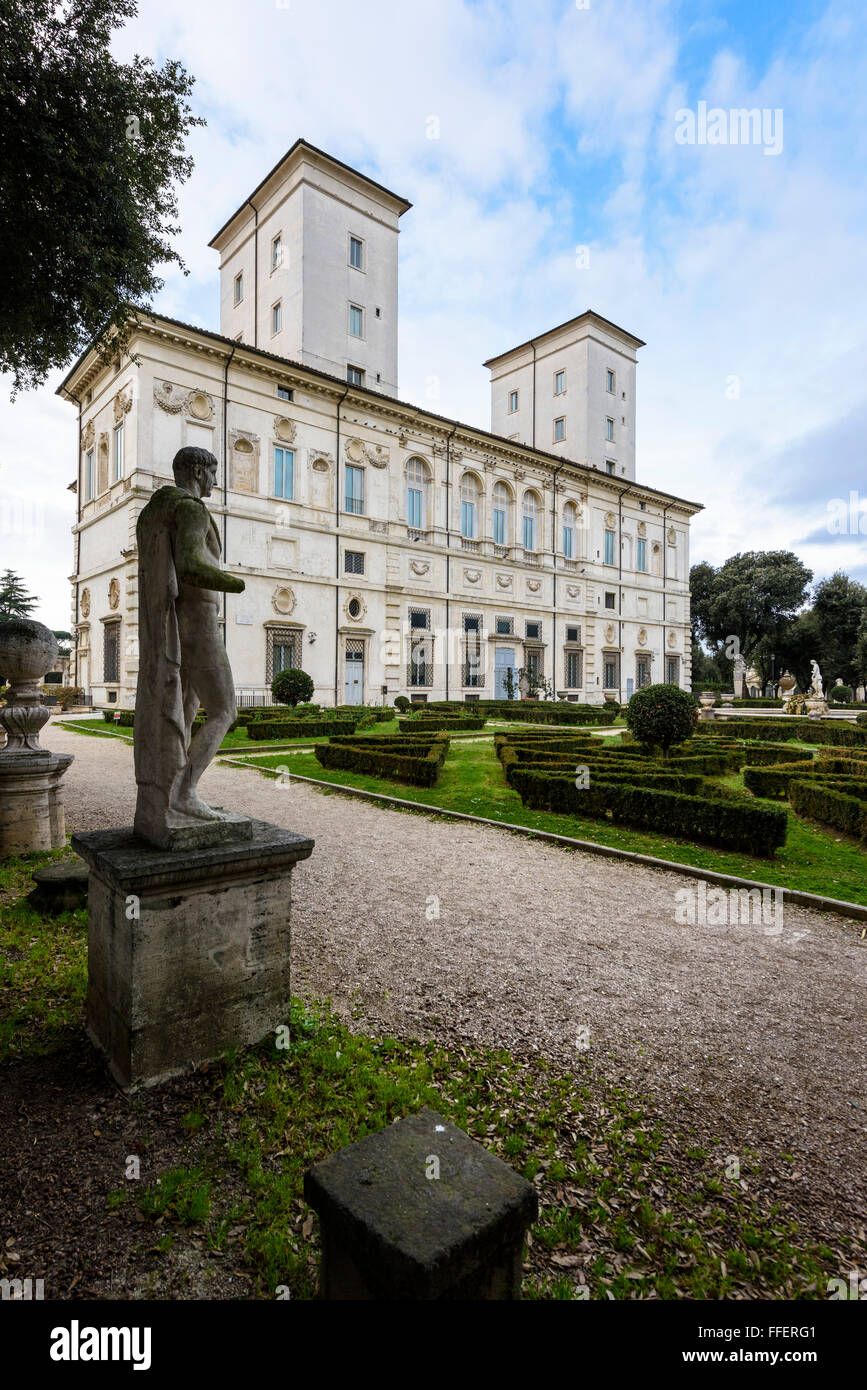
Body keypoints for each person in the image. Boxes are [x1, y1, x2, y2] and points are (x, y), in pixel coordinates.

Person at [133, 447, 245, 845]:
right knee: (225, 709)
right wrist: (235, 582)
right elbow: (192, 564)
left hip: (174, 622)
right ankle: (184, 791)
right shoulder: (191, 509)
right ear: (198, 471)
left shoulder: (155, 510)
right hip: (197, 621)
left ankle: (162, 792)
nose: (216, 480)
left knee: (186, 708)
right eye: (213, 472)